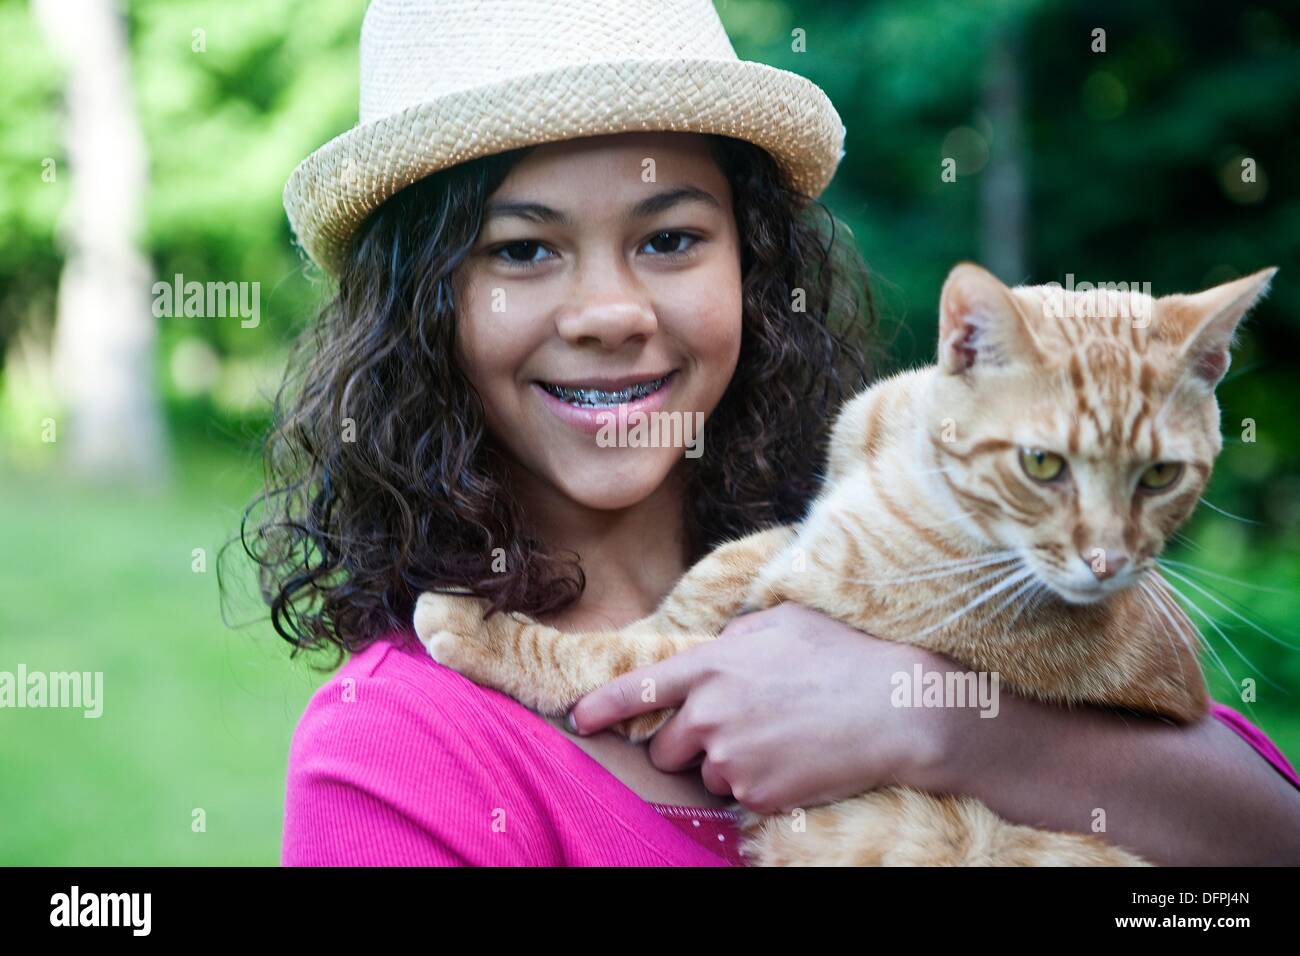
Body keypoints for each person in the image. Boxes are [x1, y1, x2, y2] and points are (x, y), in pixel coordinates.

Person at [259, 0, 1300, 866]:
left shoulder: (940, 541)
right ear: (424, 307)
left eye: (670, 237)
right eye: (523, 251)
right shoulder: (396, 753)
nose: (611, 312)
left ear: (752, 267)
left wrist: (933, 722)